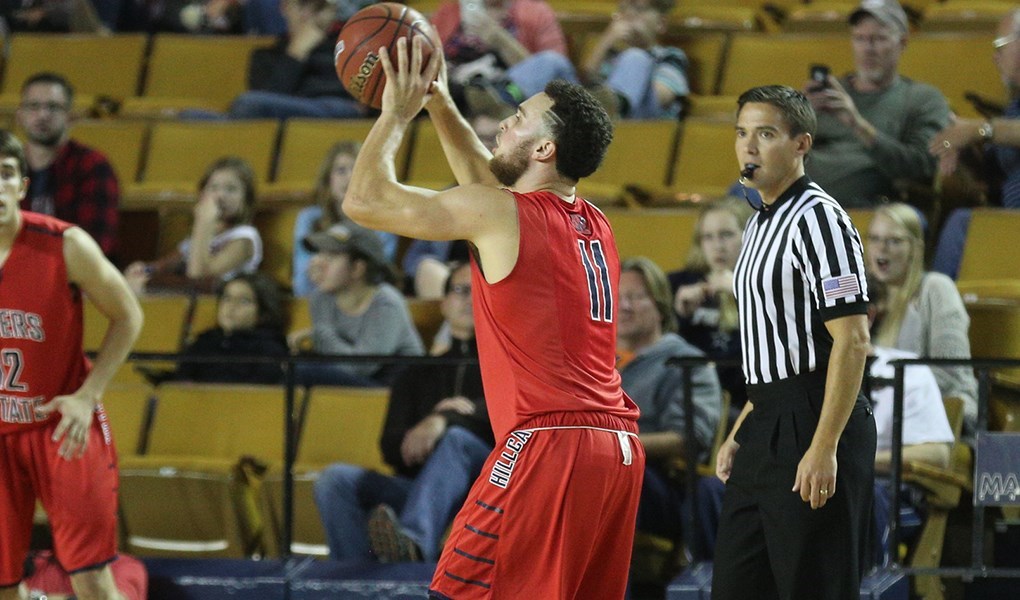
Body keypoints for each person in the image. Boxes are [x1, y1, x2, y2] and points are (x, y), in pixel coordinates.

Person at [342, 34, 644, 597]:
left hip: (547, 443)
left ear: (545, 149)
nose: (504, 124)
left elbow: (363, 200)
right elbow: (490, 185)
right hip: (616, 448)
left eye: (519, 119)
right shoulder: (593, 220)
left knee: (456, 591)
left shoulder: (503, 213)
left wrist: (396, 113)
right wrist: (440, 102)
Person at [711, 85, 876, 600]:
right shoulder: (758, 222)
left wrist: (824, 446)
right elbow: (774, 341)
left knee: (812, 587)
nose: (748, 146)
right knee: (735, 586)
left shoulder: (820, 219)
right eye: (742, 133)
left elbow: (852, 340)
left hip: (814, 417)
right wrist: (741, 428)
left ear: (801, 144)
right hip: (766, 417)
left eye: (766, 134)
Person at [0, 131, 143, 600]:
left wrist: (89, 394)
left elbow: (128, 316)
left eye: (5, 174)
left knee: (92, 578)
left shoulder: (65, 244)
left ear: (22, 185)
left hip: (60, 426)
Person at [313, 262, 494, 562]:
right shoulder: (415, 373)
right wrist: (418, 439)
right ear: (444, 303)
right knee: (334, 480)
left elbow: (515, 420)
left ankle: (414, 544)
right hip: (418, 490)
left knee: (457, 440)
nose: (469, 299)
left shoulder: (509, 366)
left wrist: (444, 420)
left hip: (488, 490)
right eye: (461, 290)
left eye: (480, 292)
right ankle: (354, 582)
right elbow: (389, 447)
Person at [801, 0, 950, 208]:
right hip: (800, 200)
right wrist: (797, 118)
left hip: (871, 207)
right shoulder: (827, 94)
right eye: (860, 38)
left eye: (879, 39)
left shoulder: (922, 99)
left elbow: (922, 167)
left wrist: (857, 125)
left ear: (903, 43)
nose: (868, 49)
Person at [617, 256, 720, 546]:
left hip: (657, 482)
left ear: (661, 305)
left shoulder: (686, 362)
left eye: (636, 297)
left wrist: (616, 445)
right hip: (598, 467)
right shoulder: (590, 361)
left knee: (600, 471)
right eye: (618, 296)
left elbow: (691, 438)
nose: (624, 306)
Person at [865, 202, 978, 432]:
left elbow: (950, 373)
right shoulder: (863, 297)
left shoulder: (936, 289)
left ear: (915, 248)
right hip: (881, 415)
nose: (881, 249)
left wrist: (885, 380)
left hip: (942, 412)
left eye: (894, 241)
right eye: (875, 239)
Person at [928, 9, 1020, 277]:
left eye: (1000, 46)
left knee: (962, 224)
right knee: (962, 222)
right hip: (1009, 221)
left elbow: (988, 131)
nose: (995, 57)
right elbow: (989, 182)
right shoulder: (1013, 109)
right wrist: (964, 151)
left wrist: (979, 130)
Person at [288, 221, 424, 386]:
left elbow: (361, 367)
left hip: (396, 387)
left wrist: (318, 335)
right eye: (319, 253)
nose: (317, 262)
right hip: (355, 383)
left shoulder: (386, 303)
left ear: (357, 268)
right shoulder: (321, 298)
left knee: (305, 372)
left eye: (331, 256)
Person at [15, 72, 120, 260]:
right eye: (33, 106)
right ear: (19, 115)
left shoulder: (92, 165)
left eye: (53, 107)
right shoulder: (7, 167)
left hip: (73, 273)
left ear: (70, 116)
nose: (43, 115)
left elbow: (95, 245)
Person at [123, 157, 263, 295]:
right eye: (213, 188)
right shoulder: (200, 235)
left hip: (214, 301)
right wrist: (144, 270)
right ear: (202, 195)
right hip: (186, 294)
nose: (220, 196)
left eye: (231, 189)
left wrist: (204, 222)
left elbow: (198, 276)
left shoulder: (244, 238)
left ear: (246, 199)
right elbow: (164, 265)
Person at [668, 197, 753, 421]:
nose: (718, 246)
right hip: (689, 398)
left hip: (747, 399)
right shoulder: (677, 285)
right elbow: (658, 350)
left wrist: (743, 290)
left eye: (726, 235)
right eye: (708, 237)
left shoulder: (764, 286)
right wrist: (679, 315)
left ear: (749, 236)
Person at [429, 0, 577, 119]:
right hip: (457, 86)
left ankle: (499, 97)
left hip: (515, 89)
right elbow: (430, 53)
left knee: (551, 61)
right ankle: (480, 96)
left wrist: (499, 40)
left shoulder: (535, 11)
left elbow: (553, 73)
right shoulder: (449, 11)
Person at [292, 141, 399, 296]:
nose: (349, 178)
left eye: (357, 171)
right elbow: (302, 285)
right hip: (318, 299)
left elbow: (380, 276)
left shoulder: (383, 218)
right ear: (328, 179)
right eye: (341, 170)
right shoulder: (309, 218)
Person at [227, 0, 366, 119]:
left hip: (337, 110)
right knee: (230, 111)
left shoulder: (345, 49)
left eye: (317, 8)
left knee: (247, 103)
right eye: (301, 5)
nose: (307, 16)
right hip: (285, 116)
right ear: (284, 7)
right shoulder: (265, 55)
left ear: (331, 12)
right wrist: (296, 53)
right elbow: (265, 105)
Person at [580, 0, 689, 120]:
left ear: (660, 23)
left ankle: (614, 108)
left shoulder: (669, 56)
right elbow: (587, 80)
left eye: (640, 9)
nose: (629, 15)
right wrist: (607, 40)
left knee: (635, 57)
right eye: (623, 9)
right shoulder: (613, 55)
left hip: (646, 122)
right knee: (560, 63)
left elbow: (662, 97)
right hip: (601, 116)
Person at [173, 273, 289, 384]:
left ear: (263, 313)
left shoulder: (269, 349)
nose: (231, 306)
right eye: (227, 298)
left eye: (244, 301)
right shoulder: (204, 342)